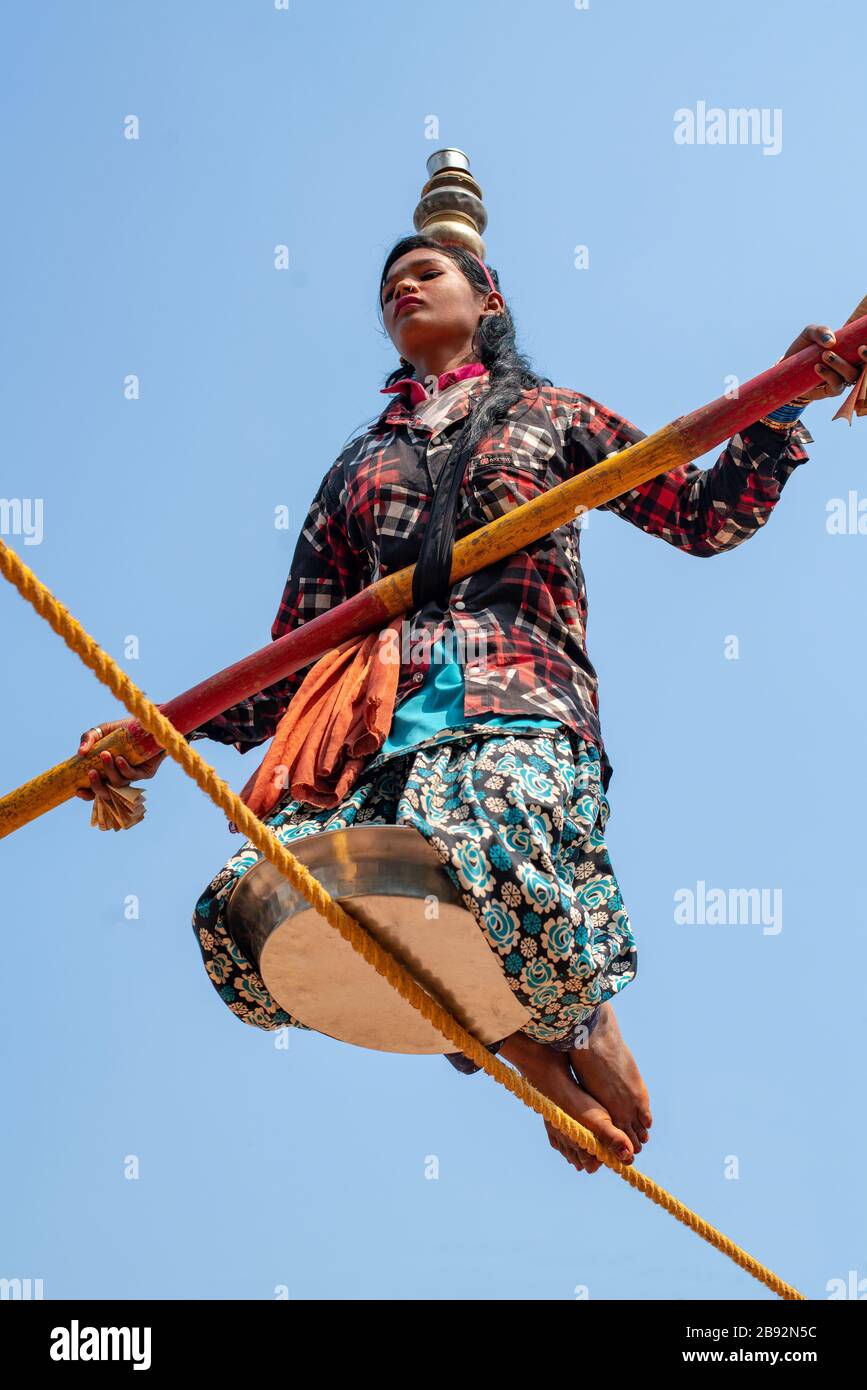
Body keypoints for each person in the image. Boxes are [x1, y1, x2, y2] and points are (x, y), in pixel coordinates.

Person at [76, 236, 867, 1175]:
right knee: (253, 910)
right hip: (374, 733)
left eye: (425, 275)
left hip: (515, 697)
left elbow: (702, 518)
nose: (402, 291)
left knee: (488, 840)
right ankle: (518, 1045)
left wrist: (779, 406)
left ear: (486, 299)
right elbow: (292, 656)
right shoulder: (356, 469)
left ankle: (575, 1019)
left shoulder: (549, 412)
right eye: (387, 288)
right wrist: (158, 736)